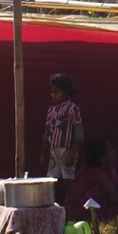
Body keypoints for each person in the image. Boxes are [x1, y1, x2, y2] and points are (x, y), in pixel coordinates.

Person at [68, 138, 118, 223]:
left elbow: (117, 188)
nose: (114, 152)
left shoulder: (109, 169)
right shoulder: (96, 173)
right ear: (102, 158)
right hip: (81, 212)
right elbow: (114, 197)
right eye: (110, 151)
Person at [44, 74, 84, 205]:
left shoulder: (72, 108)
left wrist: (74, 150)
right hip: (53, 150)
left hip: (67, 150)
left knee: (68, 183)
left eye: (57, 92)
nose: (53, 95)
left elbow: (78, 130)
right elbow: (48, 129)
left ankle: (70, 211)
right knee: (51, 182)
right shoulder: (51, 110)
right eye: (52, 92)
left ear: (66, 91)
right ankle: (53, 208)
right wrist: (44, 149)